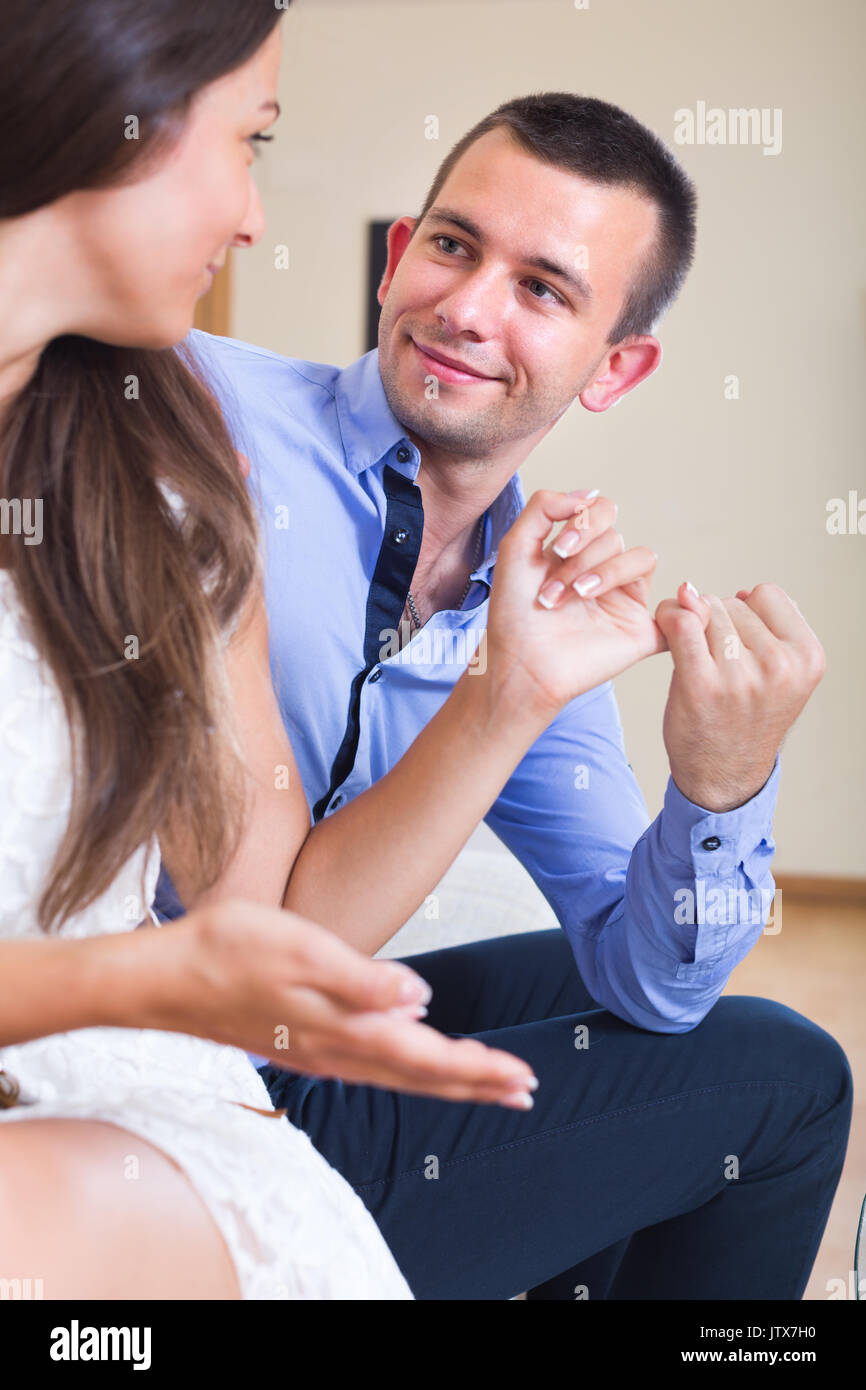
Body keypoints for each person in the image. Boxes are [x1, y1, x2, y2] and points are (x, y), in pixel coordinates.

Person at [155, 93, 853, 1300]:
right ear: (395, 259)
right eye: (452, 244)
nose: (467, 308)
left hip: (286, 1027)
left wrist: (720, 783)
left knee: (610, 1006)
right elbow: (258, 964)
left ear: (616, 367)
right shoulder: (200, 406)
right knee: (788, 1079)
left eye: (543, 288)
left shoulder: (534, 588)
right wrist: (501, 693)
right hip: (185, 1059)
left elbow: (651, 984)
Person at [0, 1, 605, 1301]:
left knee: (727, 1049)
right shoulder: (238, 431)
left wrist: (510, 692)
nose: (255, 219)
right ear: (113, 110)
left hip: (120, 1110)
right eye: (251, 141)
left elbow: (264, 926)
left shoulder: (157, 477)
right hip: (80, 1099)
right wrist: (142, 971)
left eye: (543, 289)